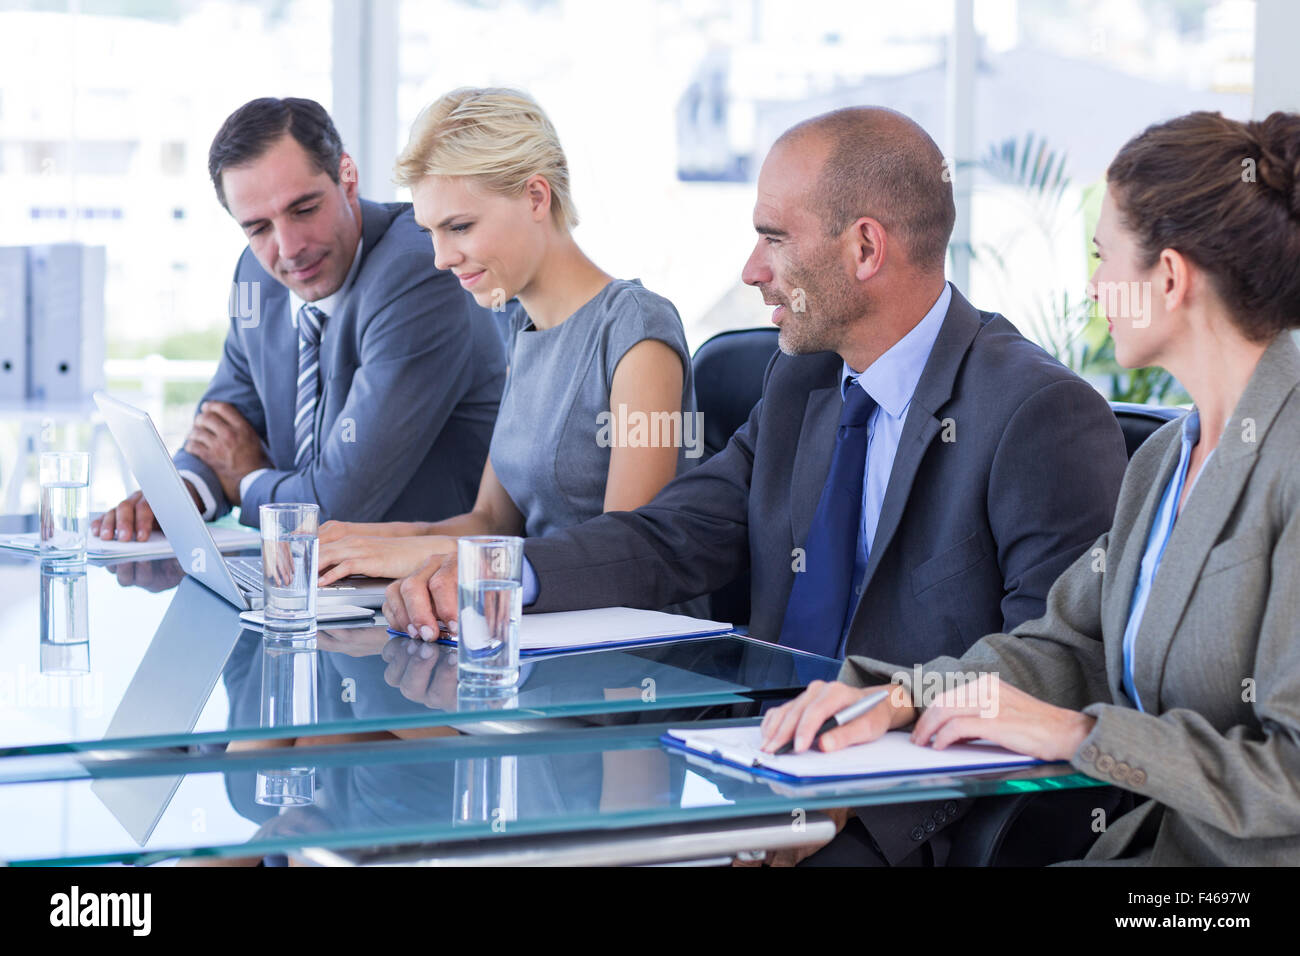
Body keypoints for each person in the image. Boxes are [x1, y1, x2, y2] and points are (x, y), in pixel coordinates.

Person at [384, 105, 1130, 865]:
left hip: (900, 814)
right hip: (753, 762)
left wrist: (851, 794)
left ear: (865, 247)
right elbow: (671, 537)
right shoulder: (801, 383)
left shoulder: (1037, 414)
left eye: (774, 238)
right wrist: (505, 577)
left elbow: (1051, 678)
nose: (751, 269)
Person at [761, 110, 1300, 866]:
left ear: (1169, 278)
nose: (1092, 287)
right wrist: (902, 695)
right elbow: (1066, 645)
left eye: (1103, 256)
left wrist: (1079, 735)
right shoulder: (1169, 460)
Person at [315, 88, 701, 595]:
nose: (441, 258)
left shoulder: (636, 329)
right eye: (431, 232)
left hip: (626, 653)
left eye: (460, 227)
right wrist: (362, 542)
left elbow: (619, 556)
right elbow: (490, 521)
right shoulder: (518, 327)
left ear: (536, 197)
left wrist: (415, 552)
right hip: (529, 622)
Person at [92, 97, 504, 539]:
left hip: (424, 586)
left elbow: (337, 507)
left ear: (348, 179)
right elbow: (225, 418)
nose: (288, 248)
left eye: (304, 210)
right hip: (315, 586)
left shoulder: (419, 271)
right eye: (258, 227)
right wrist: (180, 492)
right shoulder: (254, 276)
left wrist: (248, 480)